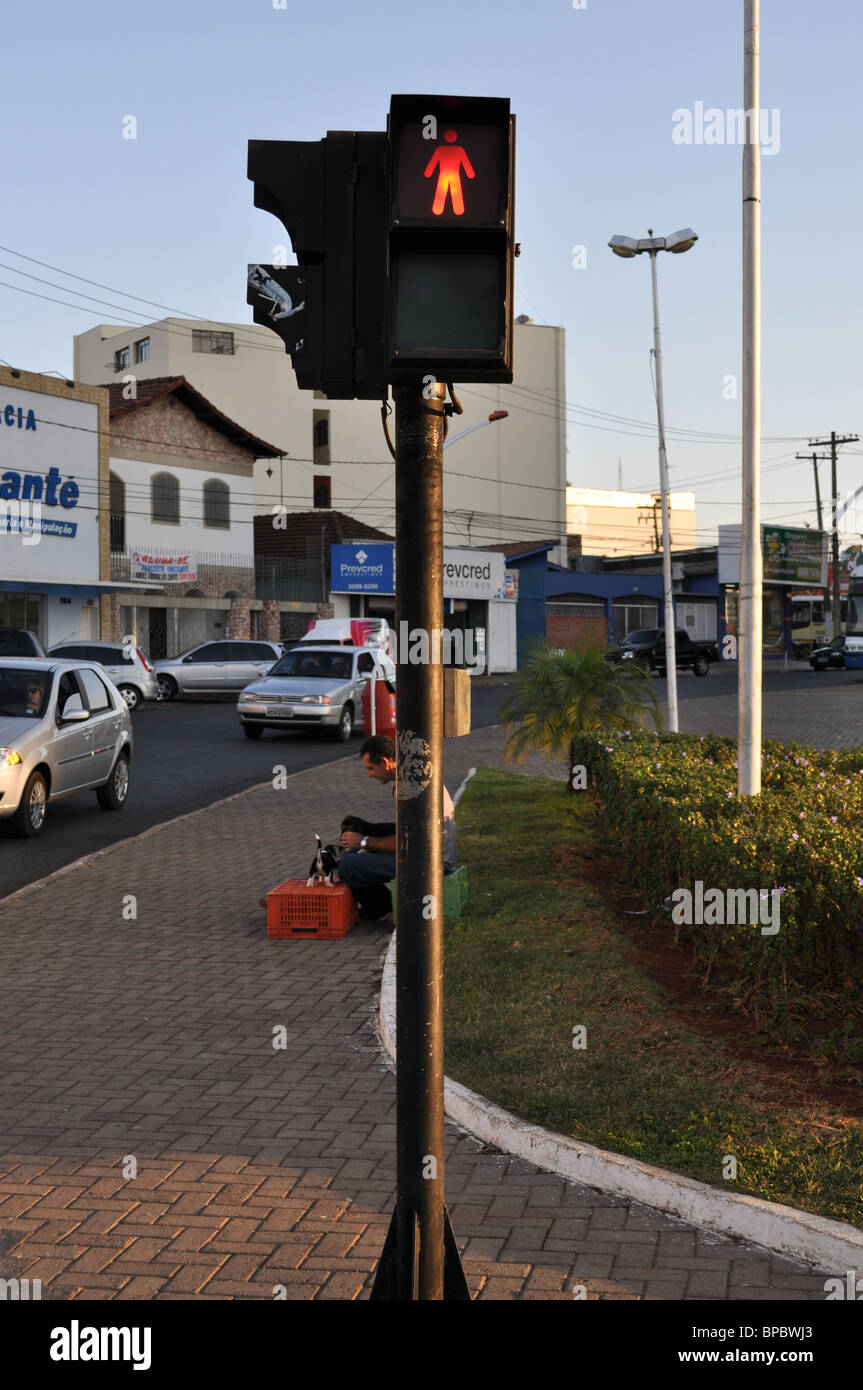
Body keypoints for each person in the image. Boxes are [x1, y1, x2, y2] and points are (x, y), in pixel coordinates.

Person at [338, 734, 458, 921]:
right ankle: (381, 904)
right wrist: (367, 829)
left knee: (348, 865)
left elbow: (407, 843)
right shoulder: (414, 774)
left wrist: (363, 841)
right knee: (361, 847)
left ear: (386, 762)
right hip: (429, 851)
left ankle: (381, 905)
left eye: (371, 768)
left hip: (430, 862)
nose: (369, 774)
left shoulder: (408, 788)